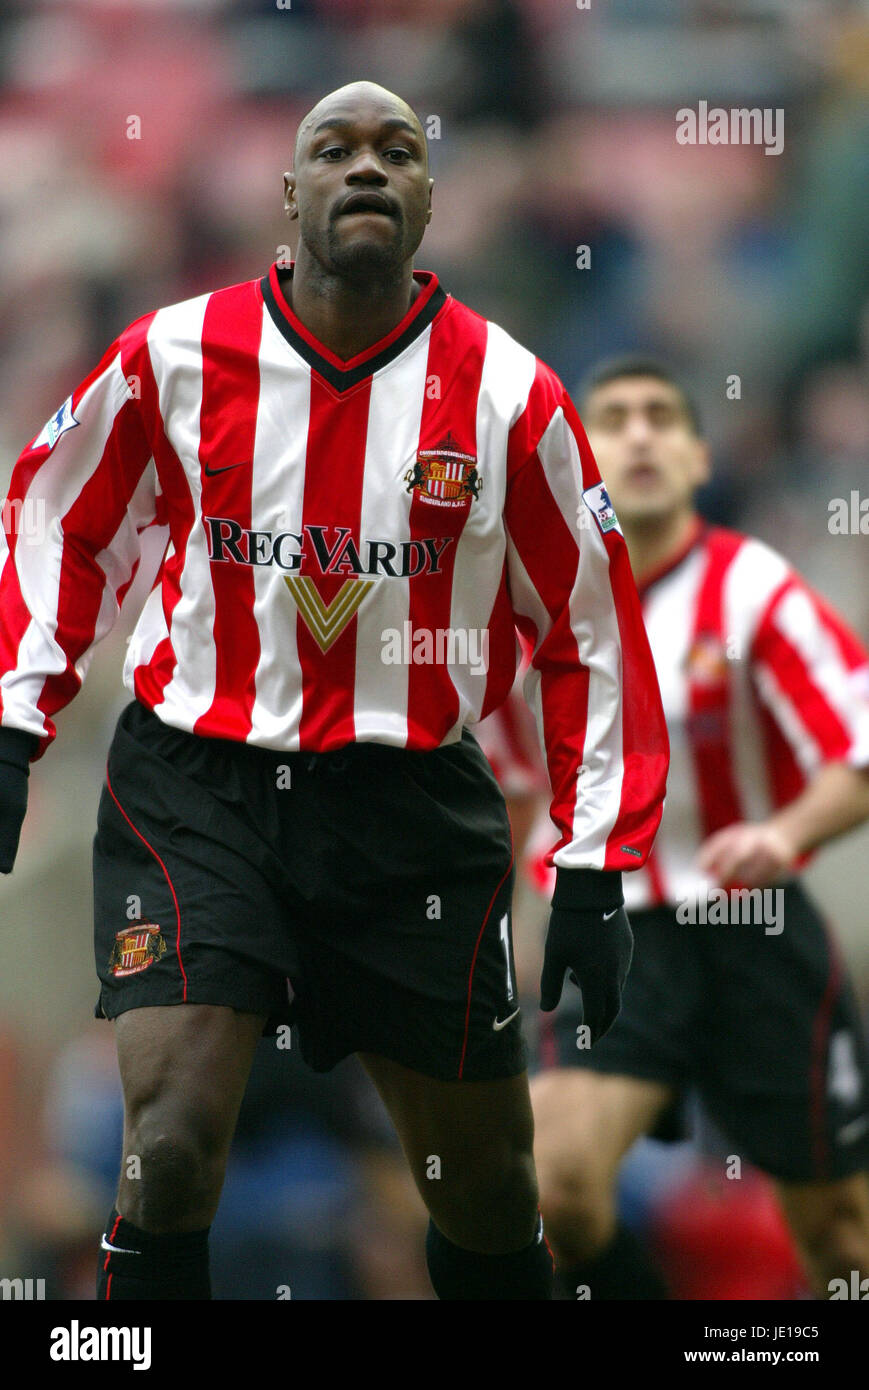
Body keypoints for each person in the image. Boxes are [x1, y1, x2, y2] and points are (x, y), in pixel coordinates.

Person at [0, 85, 668, 1301]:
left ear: (426, 201)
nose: (366, 167)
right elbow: (59, 519)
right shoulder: (170, 354)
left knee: (487, 1189)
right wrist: (12, 722)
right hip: (199, 788)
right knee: (167, 1146)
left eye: (398, 151)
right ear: (288, 195)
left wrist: (591, 861)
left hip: (407, 812)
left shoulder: (515, 398)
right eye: (335, 149)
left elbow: (592, 631)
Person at [526, 358, 869, 1300]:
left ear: (695, 453)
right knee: (554, 1192)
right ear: (574, 457)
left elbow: (858, 746)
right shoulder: (530, 608)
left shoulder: (750, 586)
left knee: (841, 1243)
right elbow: (503, 776)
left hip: (757, 933)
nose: (638, 436)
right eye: (614, 419)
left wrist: (783, 834)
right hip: (619, 941)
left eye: (661, 418)